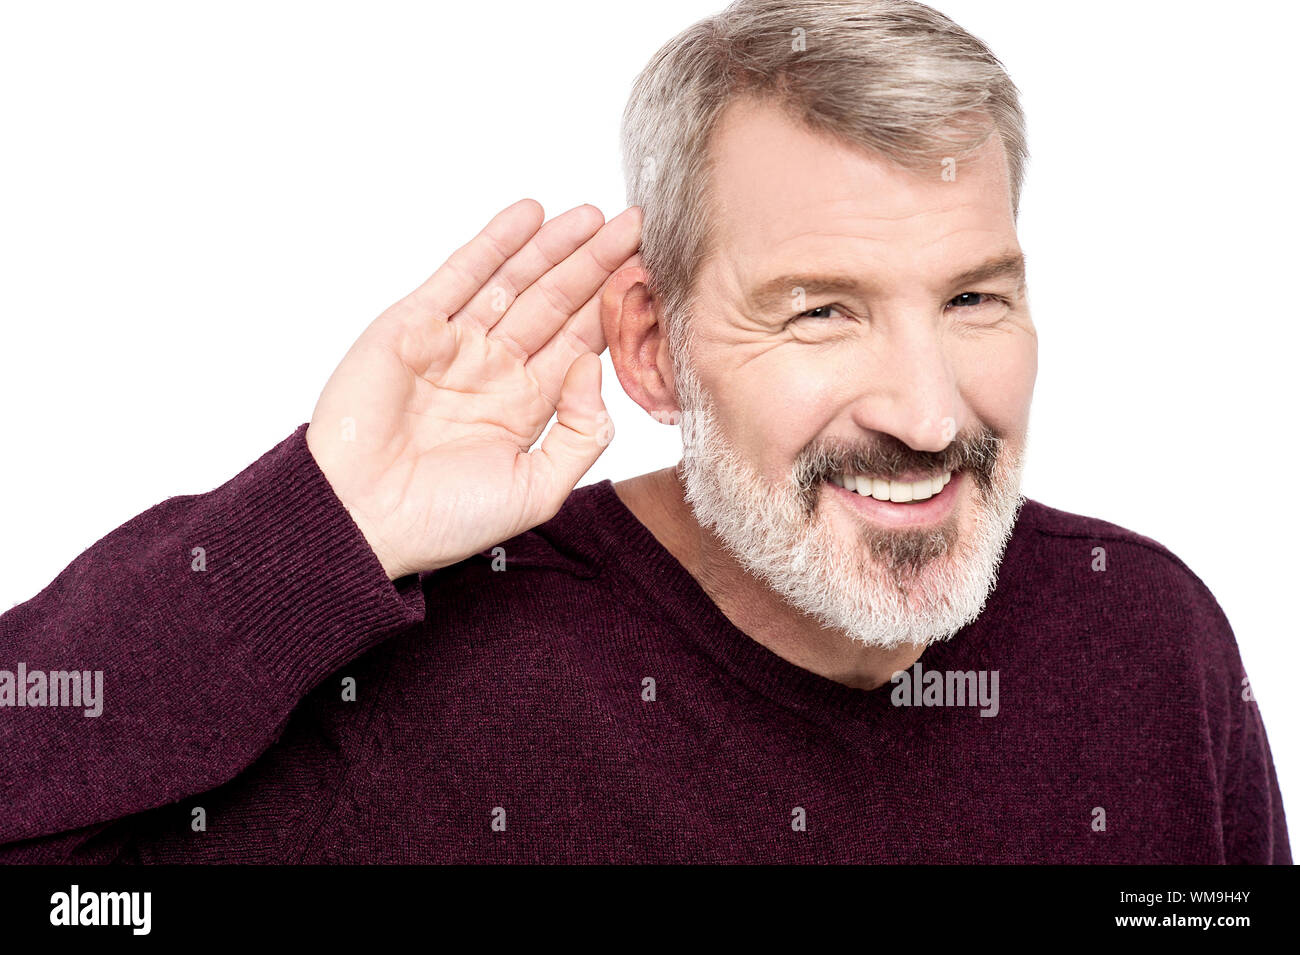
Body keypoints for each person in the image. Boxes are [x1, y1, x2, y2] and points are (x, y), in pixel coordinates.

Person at [0, 0, 1288, 863]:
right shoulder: (443, 681)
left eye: (973, 299)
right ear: (654, 347)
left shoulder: (1147, 635)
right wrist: (316, 528)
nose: (931, 413)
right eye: (821, 312)